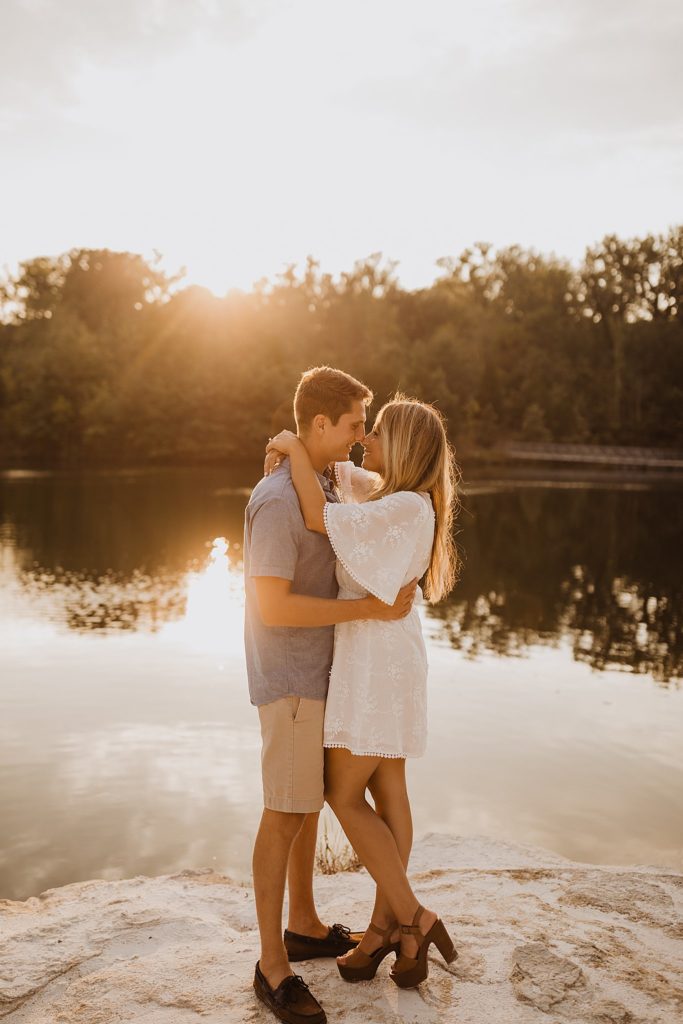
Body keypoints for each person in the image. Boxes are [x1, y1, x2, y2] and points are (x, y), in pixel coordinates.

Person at [266, 394, 460, 991]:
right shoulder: (396, 498)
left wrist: (296, 449)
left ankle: (413, 918)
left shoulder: (402, 506)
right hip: (390, 656)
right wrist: (311, 451)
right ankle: (386, 936)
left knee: (342, 794)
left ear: (400, 446)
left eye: (374, 433)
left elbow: (319, 517)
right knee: (389, 788)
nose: (363, 442)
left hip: (377, 664)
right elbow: (342, 478)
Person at [244, 367, 418, 1024]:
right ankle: (271, 966)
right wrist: (368, 613)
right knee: (283, 813)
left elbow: (398, 493)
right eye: (351, 425)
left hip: (325, 676)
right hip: (290, 677)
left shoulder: (316, 482)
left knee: (308, 805)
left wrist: (290, 449)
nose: (358, 437)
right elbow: (273, 608)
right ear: (320, 424)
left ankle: (305, 925)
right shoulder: (277, 501)